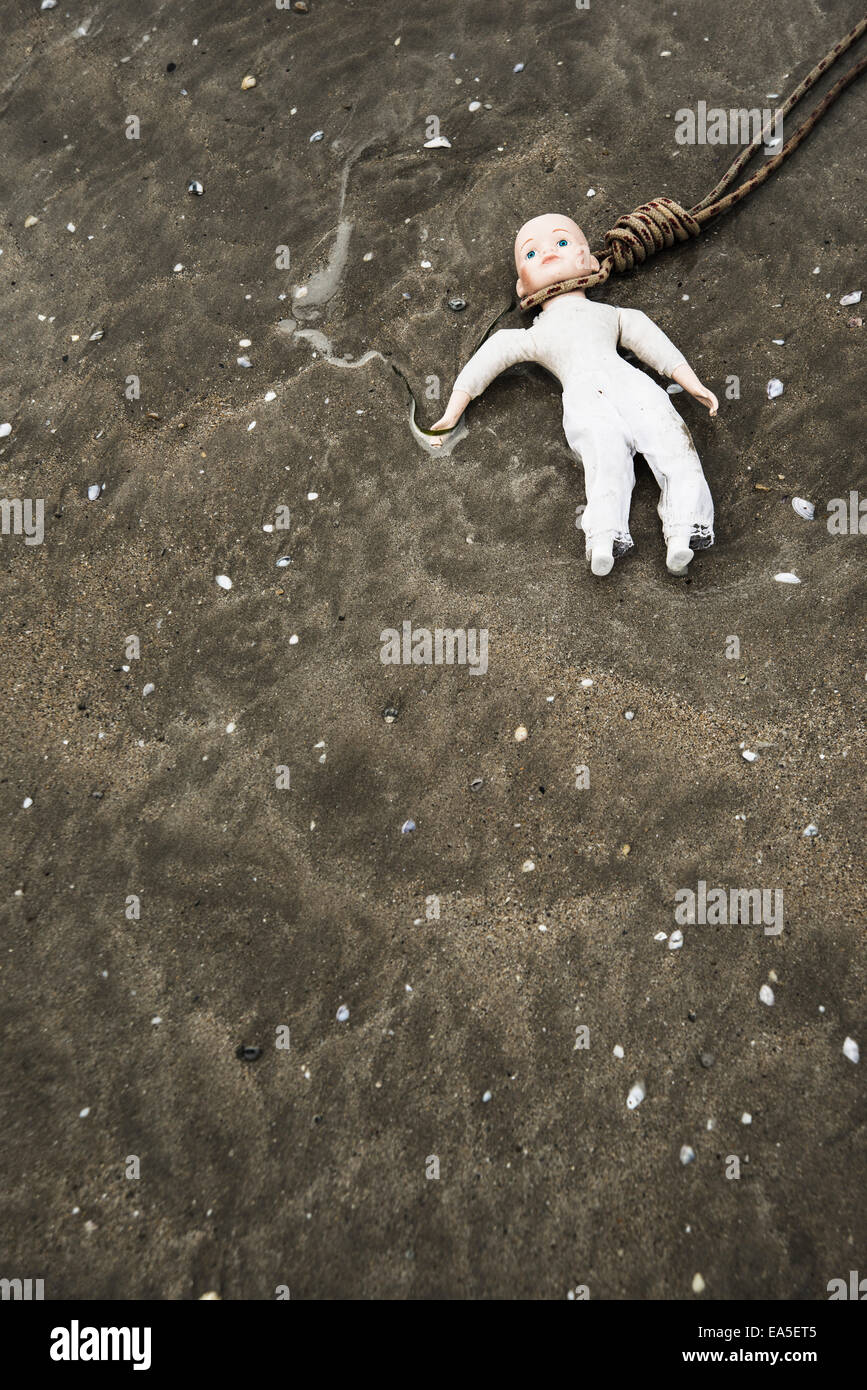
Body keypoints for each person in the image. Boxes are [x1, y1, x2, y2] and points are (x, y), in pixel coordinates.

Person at [431, 214, 718, 576]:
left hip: (633, 385)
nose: (549, 252)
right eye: (531, 253)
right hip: (585, 401)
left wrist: (692, 384)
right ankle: (603, 539)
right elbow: (490, 357)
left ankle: (683, 531)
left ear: (590, 261)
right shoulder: (534, 335)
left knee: (673, 445)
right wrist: (453, 411)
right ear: (523, 287)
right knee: (605, 464)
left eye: (562, 243)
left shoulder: (611, 315)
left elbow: (650, 341)